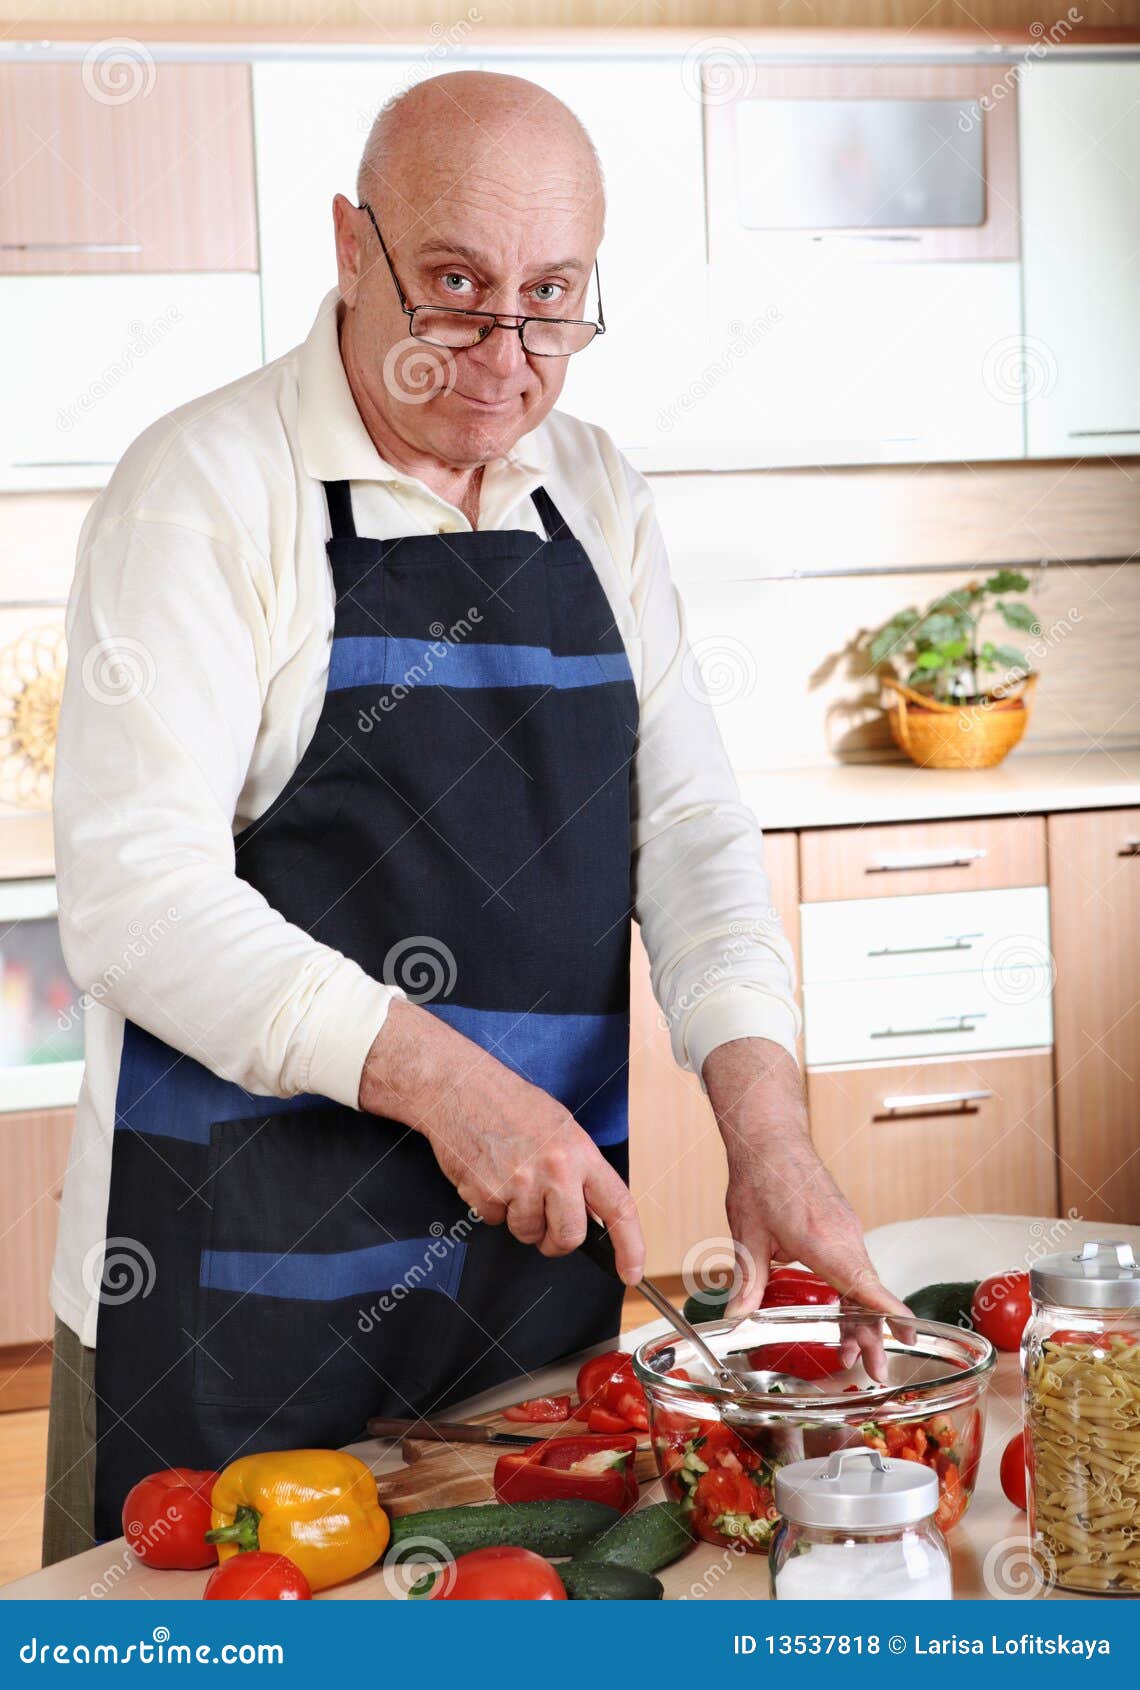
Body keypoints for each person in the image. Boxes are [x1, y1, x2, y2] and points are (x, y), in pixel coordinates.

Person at [45, 70, 909, 1563]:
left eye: (552, 300)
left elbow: (690, 828)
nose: (504, 357)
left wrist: (768, 1136)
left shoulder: (596, 492)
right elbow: (132, 899)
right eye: (454, 288)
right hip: (227, 1310)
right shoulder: (205, 486)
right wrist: (456, 1086)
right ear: (349, 245)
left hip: (525, 1304)